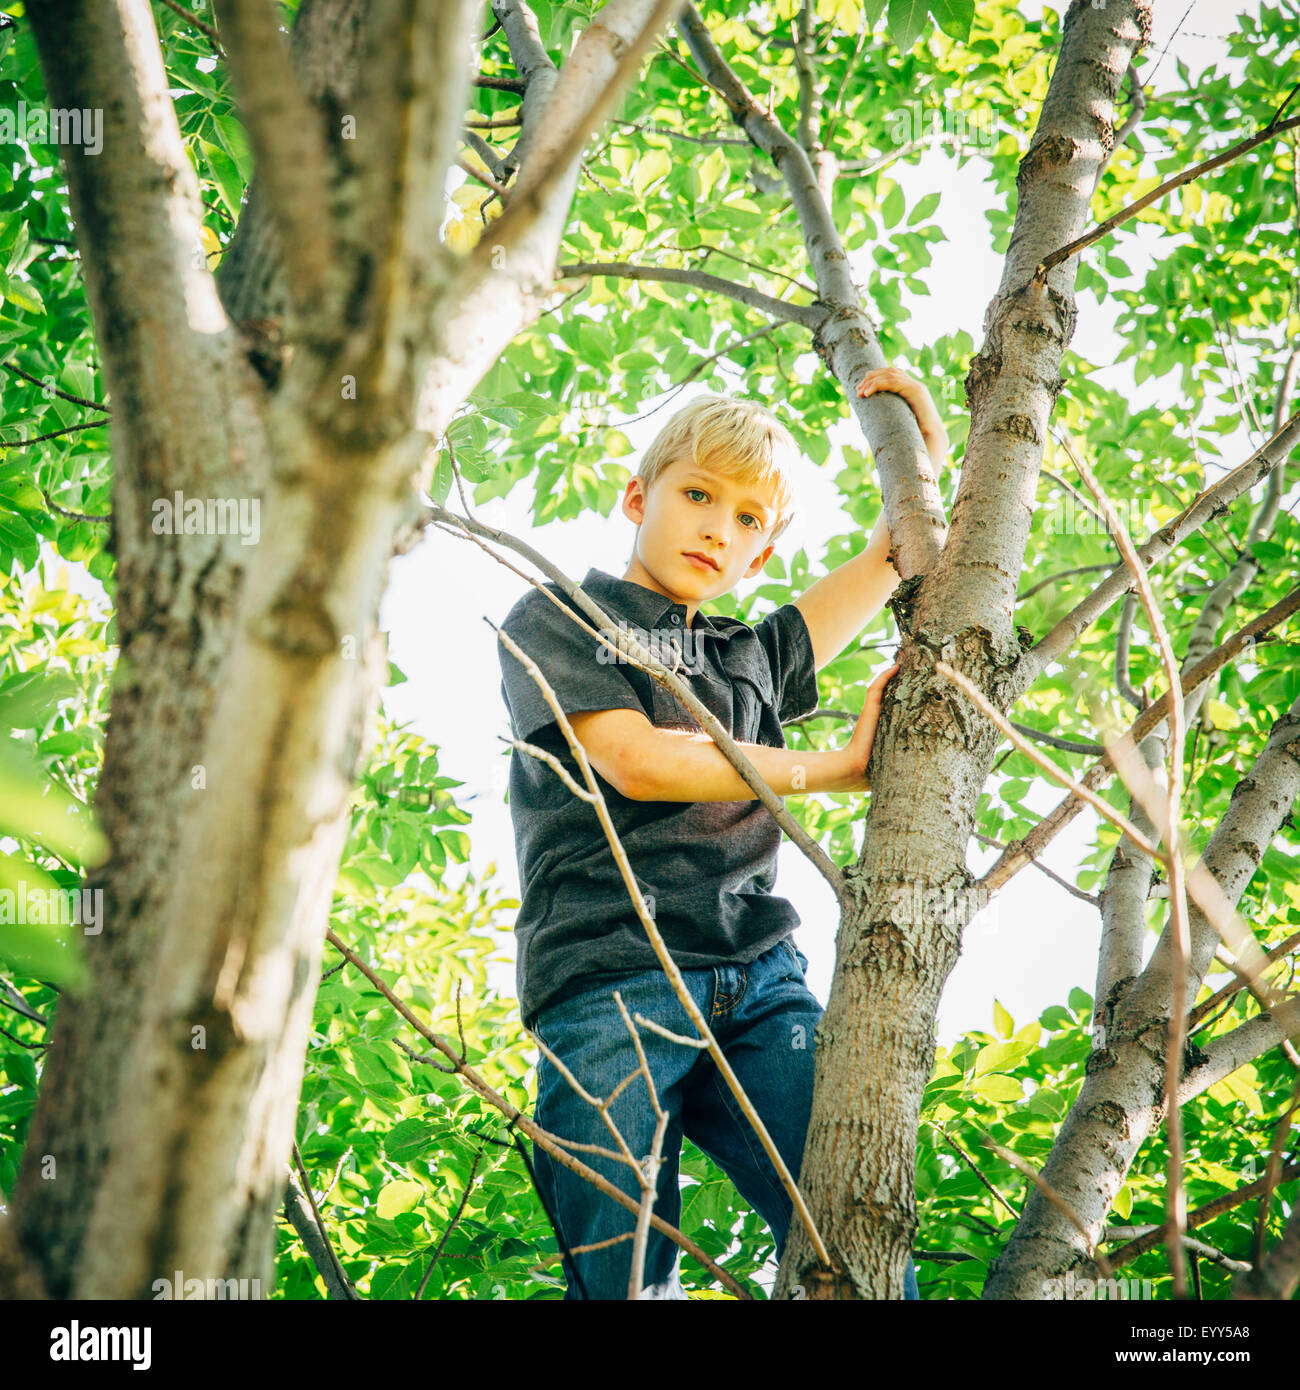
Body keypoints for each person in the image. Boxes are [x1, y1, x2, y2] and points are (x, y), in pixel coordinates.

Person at [496, 368, 948, 1299]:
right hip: (612, 978)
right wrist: (836, 767)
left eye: (749, 519)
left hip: (761, 984)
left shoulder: (755, 653)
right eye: (698, 495)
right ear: (636, 496)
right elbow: (641, 764)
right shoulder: (560, 618)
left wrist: (926, 457)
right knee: (626, 1275)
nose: (719, 528)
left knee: (854, 1234)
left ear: (764, 551)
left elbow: (892, 555)